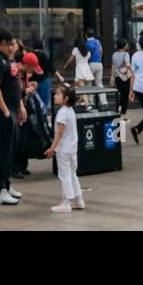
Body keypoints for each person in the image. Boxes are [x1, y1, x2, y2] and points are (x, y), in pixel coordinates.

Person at [0, 30, 25, 205]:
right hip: (3, 113)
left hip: (13, 110)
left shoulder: (10, 60)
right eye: (8, 44)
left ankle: (7, 186)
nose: (11, 48)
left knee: (12, 149)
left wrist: (21, 106)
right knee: (4, 150)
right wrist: (5, 111)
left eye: (13, 44)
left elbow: (15, 84)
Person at [45, 84, 84, 213]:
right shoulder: (70, 111)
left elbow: (59, 134)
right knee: (73, 174)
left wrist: (52, 148)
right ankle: (79, 200)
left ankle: (67, 202)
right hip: (72, 148)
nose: (55, 96)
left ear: (66, 98)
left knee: (64, 175)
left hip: (64, 149)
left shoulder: (62, 113)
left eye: (58, 94)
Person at [110, 39, 132, 117]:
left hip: (117, 77)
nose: (127, 46)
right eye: (126, 44)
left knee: (120, 94)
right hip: (125, 77)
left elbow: (113, 66)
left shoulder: (114, 54)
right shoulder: (126, 54)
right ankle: (123, 114)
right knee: (125, 96)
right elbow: (128, 64)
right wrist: (132, 67)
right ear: (123, 46)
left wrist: (112, 77)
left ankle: (118, 110)